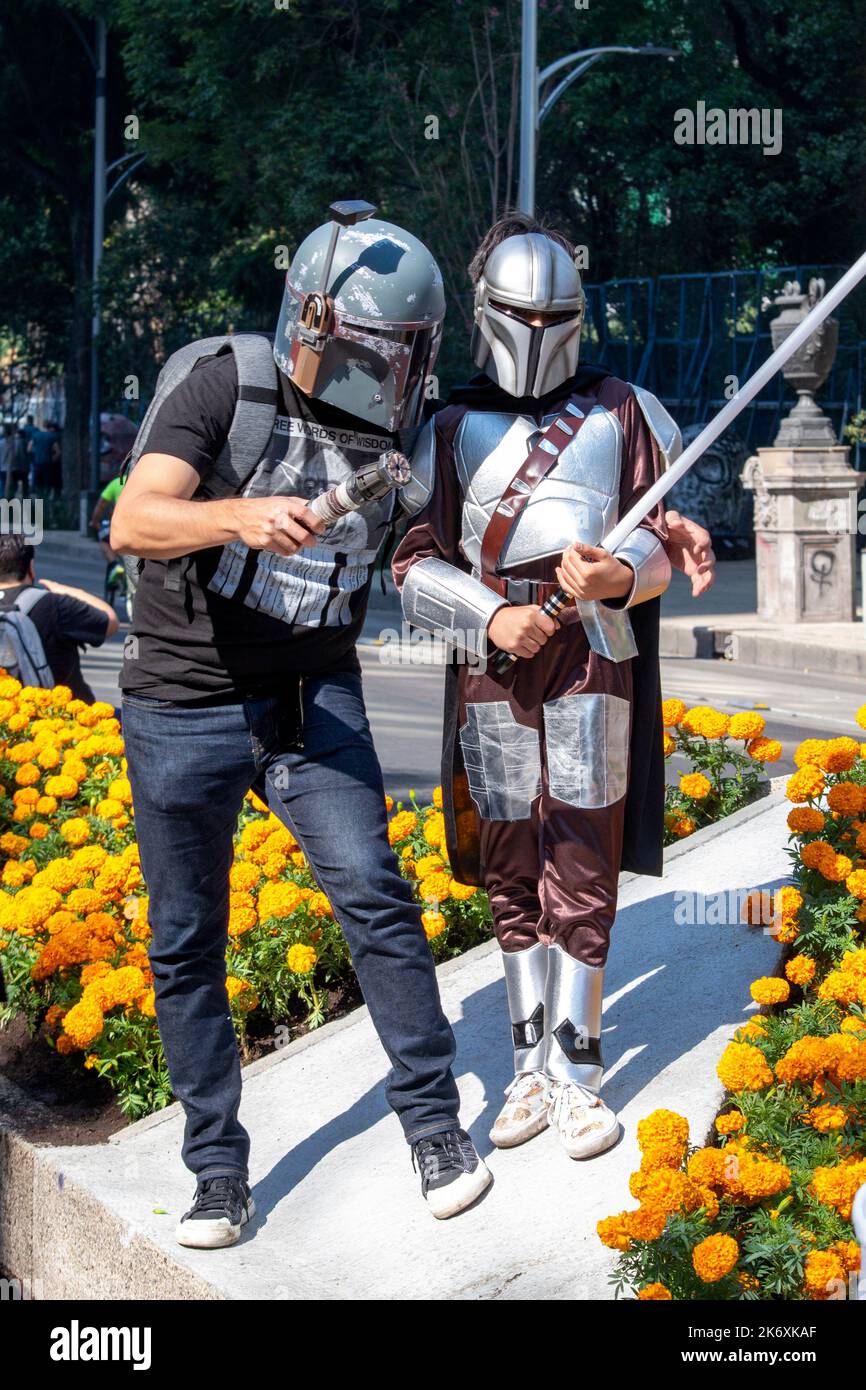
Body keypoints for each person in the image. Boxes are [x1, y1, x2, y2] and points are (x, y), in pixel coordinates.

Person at [110, 205, 492, 1249]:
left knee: (372, 887)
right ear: (311, 326)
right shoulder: (222, 383)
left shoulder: (408, 425)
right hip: (181, 698)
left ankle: (434, 1127)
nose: (390, 382)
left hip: (310, 694)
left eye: (407, 358)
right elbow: (134, 519)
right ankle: (217, 1174)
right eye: (373, 355)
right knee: (186, 939)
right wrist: (236, 515)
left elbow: (465, 533)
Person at [393, 213, 715, 1164]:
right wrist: (489, 617)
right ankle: (528, 1061)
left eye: (554, 314)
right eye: (520, 313)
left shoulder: (625, 411)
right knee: (510, 845)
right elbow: (411, 563)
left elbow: (658, 534)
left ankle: (580, 1065)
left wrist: (618, 576)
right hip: (496, 655)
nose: (537, 333)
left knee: (581, 837)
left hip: (592, 647)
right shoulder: (446, 427)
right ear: (486, 307)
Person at [0, 534, 118, 701]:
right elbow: (109, 621)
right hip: (58, 718)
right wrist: (64, 590)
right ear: (31, 567)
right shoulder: (52, 604)